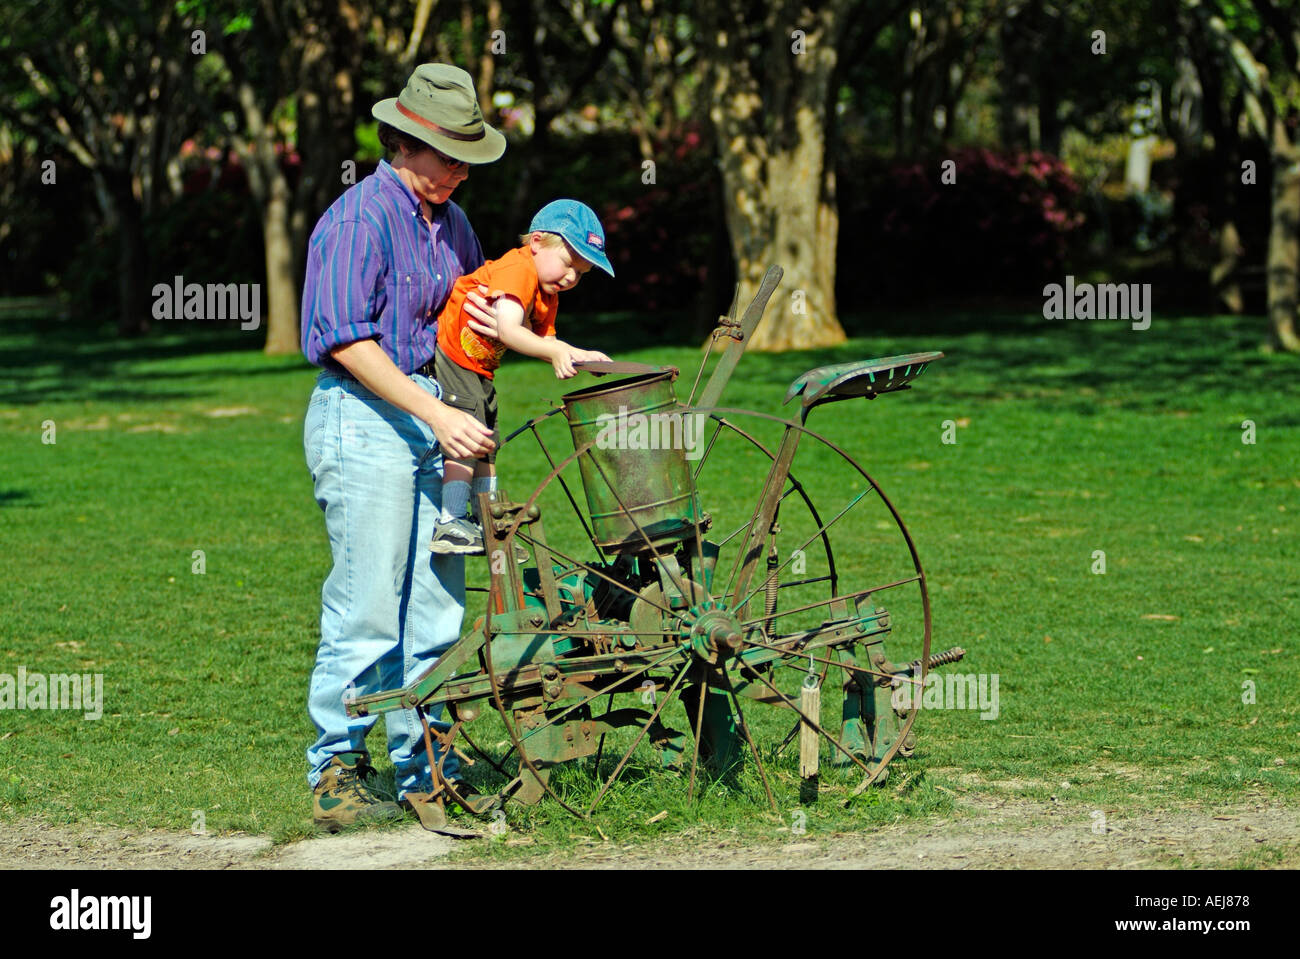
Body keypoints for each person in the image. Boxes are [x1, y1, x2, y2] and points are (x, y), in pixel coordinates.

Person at [300, 63, 506, 831]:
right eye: (447, 155)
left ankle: (430, 764)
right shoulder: (360, 218)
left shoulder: (453, 224)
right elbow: (345, 338)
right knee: (367, 603)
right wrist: (432, 409)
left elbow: (464, 326)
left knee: (438, 606)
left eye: (466, 158)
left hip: (442, 426)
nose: (457, 171)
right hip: (366, 420)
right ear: (406, 141)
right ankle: (337, 768)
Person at [429, 200, 614, 554]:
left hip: (479, 369)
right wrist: (554, 353)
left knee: (487, 444)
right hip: (455, 358)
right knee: (467, 439)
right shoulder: (519, 269)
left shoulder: (547, 291)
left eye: (582, 272)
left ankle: (489, 523)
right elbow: (510, 330)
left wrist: (579, 354)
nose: (572, 277)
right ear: (537, 243)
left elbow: (547, 340)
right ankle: (450, 522)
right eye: (568, 263)